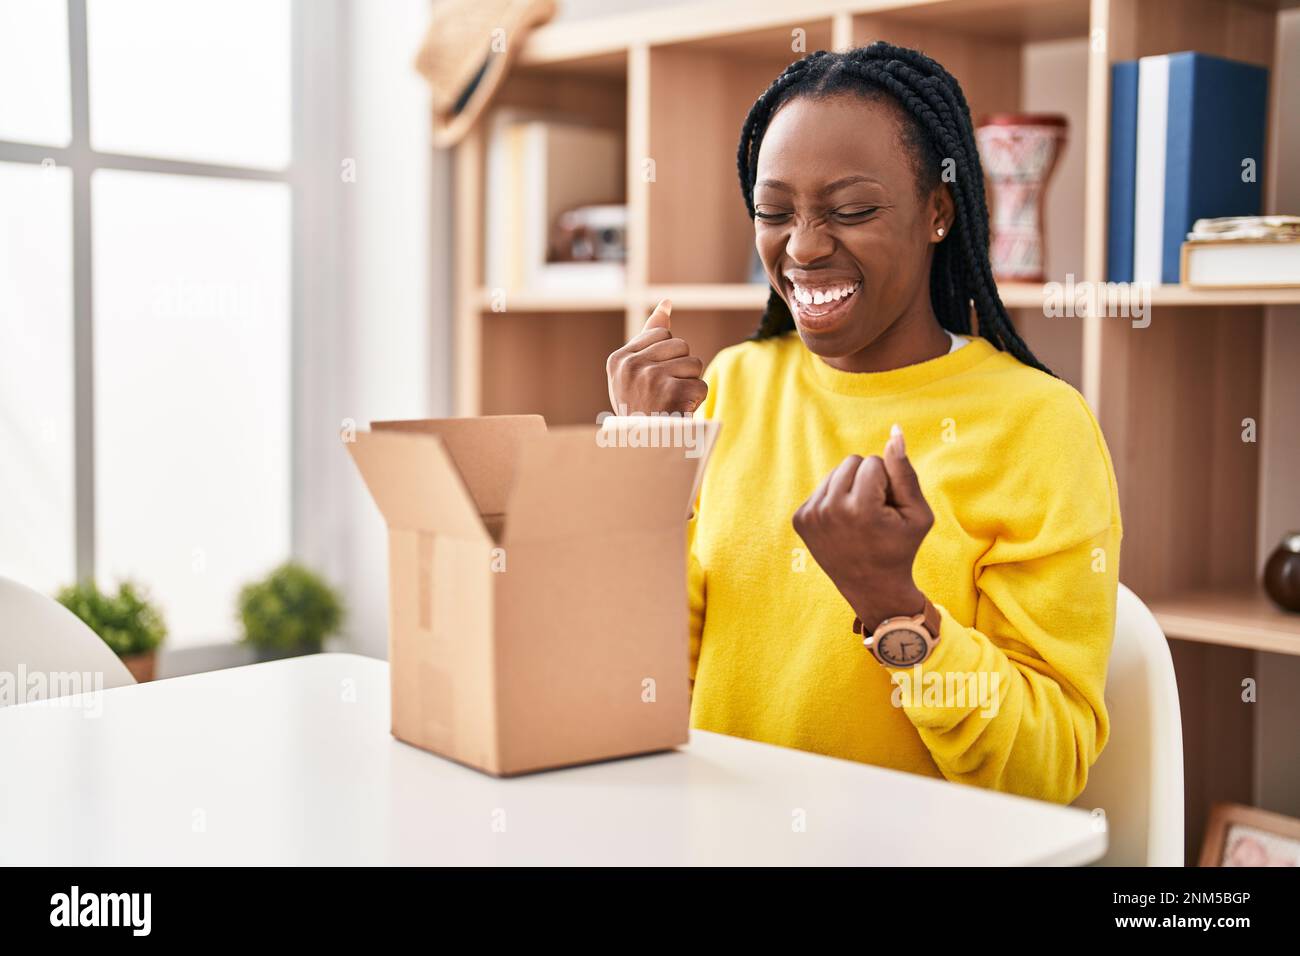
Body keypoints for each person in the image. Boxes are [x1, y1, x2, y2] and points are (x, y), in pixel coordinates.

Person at [605, 43, 1121, 804]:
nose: (804, 248)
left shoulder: (1042, 427)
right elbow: (644, 689)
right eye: (774, 213)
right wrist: (646, 473)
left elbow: (1045, 771)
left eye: (851, 211)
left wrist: (893, 608)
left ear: (937, 212)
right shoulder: (733, 385)